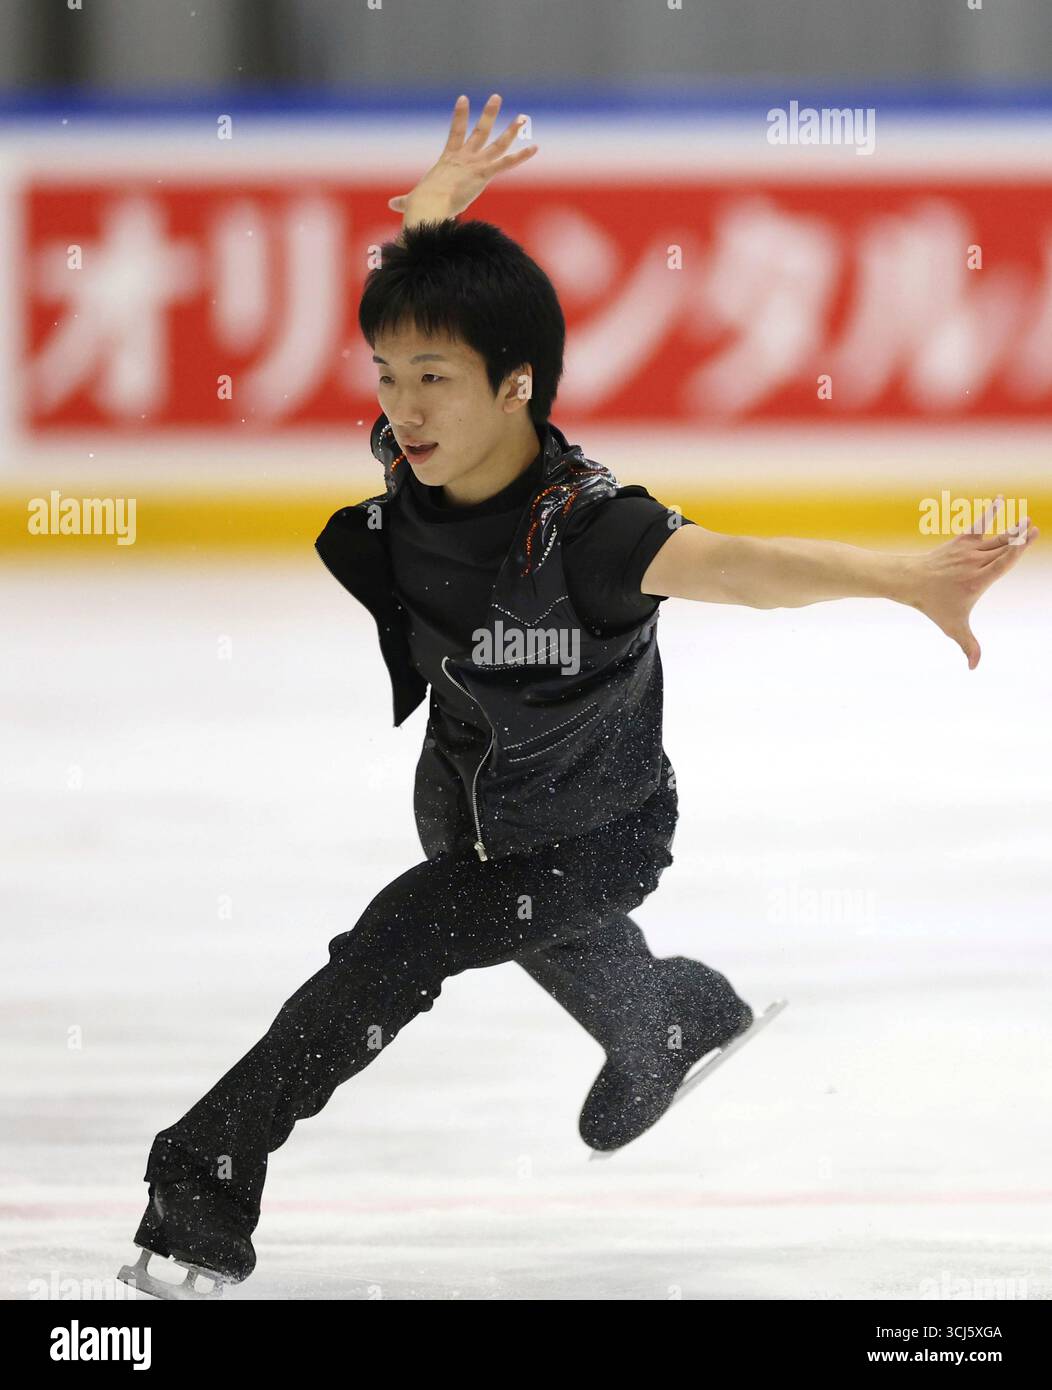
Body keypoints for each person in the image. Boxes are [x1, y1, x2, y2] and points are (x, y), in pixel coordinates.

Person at [121, 94, 1038, 1299]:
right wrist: (432, 212)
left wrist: (909, 578)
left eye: (433, 378)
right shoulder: (418, 462)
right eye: (388, 375)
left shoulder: (593, 533)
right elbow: (418, 313)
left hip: (596, 835)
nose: (401, 406)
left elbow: (742, 566)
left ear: (516, 387)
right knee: (530, 938)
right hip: (467, 809)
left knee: (399, 943)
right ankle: (668, 1016)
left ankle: (200, 1189)